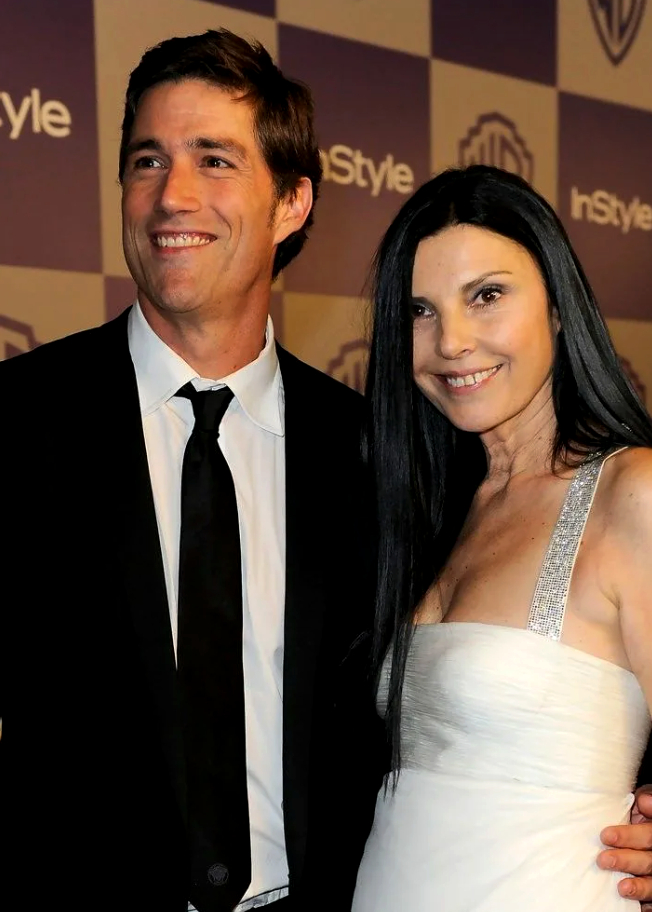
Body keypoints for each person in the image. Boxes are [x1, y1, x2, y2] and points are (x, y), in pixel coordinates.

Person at [3, 29, 383, 912]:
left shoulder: (370, 449)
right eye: (147, 160)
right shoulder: (17, 421)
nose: (171, 195)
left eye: (214, 160)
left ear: (292, 202)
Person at [352, 164, 652, 911]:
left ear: (557, 306)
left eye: (486, 296)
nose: (452, 341)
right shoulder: (436, 506)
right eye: (420, 311)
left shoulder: (631, 492)